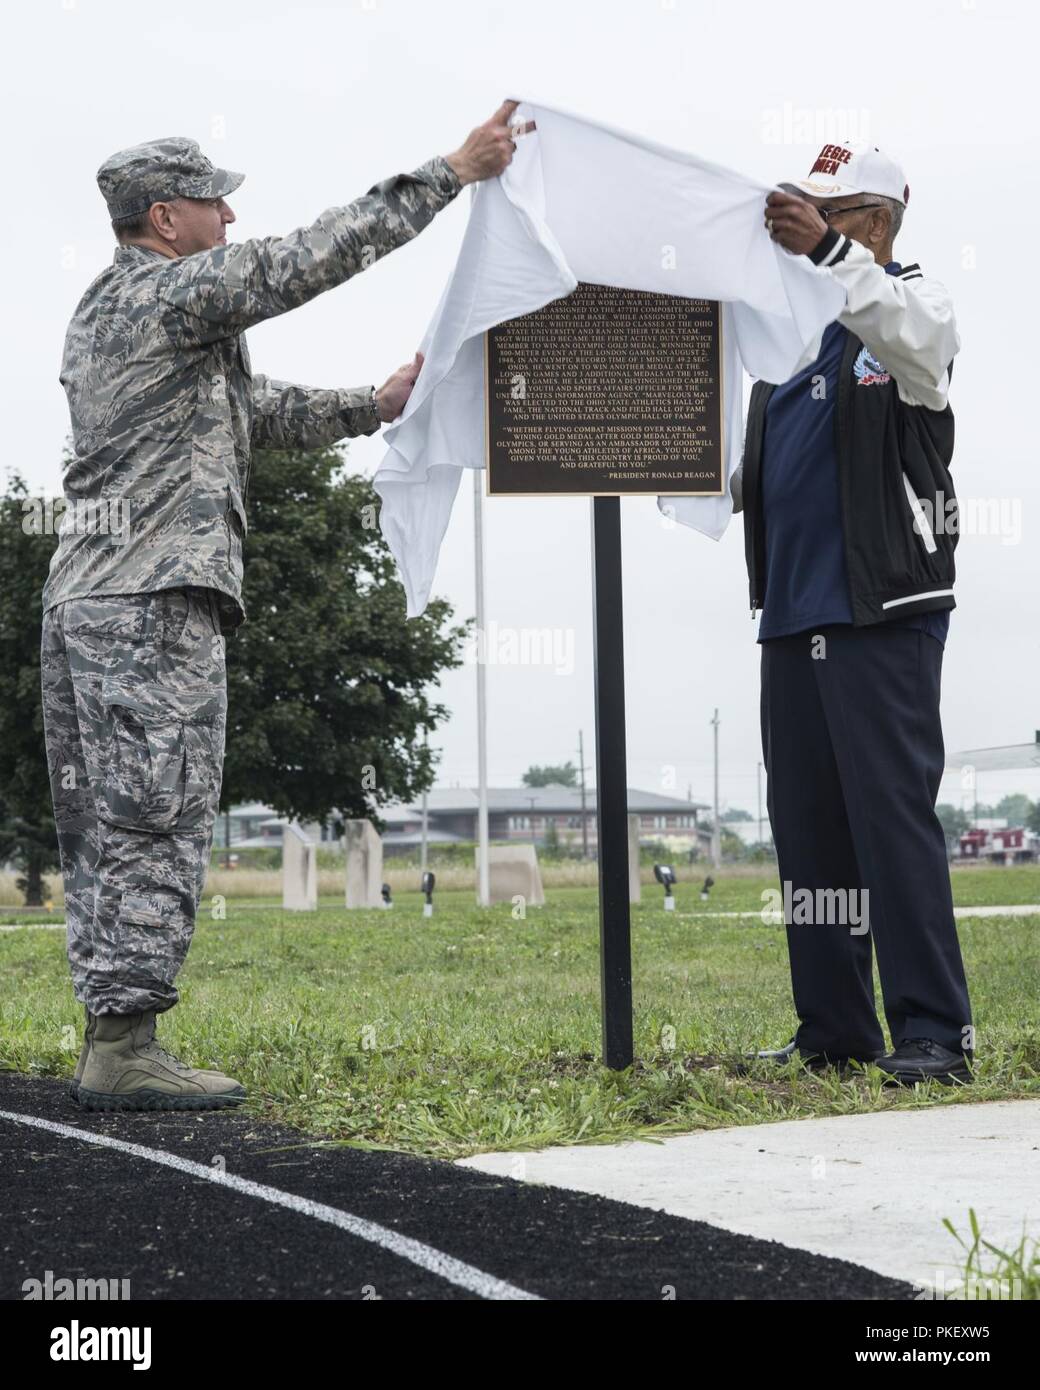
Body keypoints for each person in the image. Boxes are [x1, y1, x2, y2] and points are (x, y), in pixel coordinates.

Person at [44, 103, 526, 1112]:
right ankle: (124, 1046)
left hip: (97, 597)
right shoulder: (170, 295)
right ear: (166, 216)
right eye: (214, 201)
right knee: (156, 818)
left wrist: (370, 404)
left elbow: (249, 415)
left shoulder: (128, 313)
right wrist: (450, 172)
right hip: (147, 603)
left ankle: (113, 1035)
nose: (227, 217)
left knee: (110, 822)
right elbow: (306, 258)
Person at [734, 140, 973, 1085]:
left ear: (873, 222)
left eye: (826, 212)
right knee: (810, 833)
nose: (806, 227)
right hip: (792, 617)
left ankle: (933, 1031)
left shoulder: (909, 307)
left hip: (885, 611)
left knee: (891, 823)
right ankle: (835, 1031)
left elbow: (918, 339)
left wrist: (833, 259)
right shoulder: (784, 333)